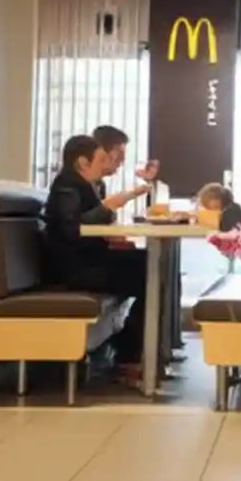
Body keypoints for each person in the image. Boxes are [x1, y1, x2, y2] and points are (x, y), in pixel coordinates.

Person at [44, 135, 150, 382]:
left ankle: (135, 351)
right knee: (149, 272)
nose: (105, 165)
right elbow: (73, 229)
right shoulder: (66, 186)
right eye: (101, 159)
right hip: (73, 270)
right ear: (83, 162)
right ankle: (128, 354)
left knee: (150, 265)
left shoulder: (84, 185)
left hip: (87, 261)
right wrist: (108, 207)